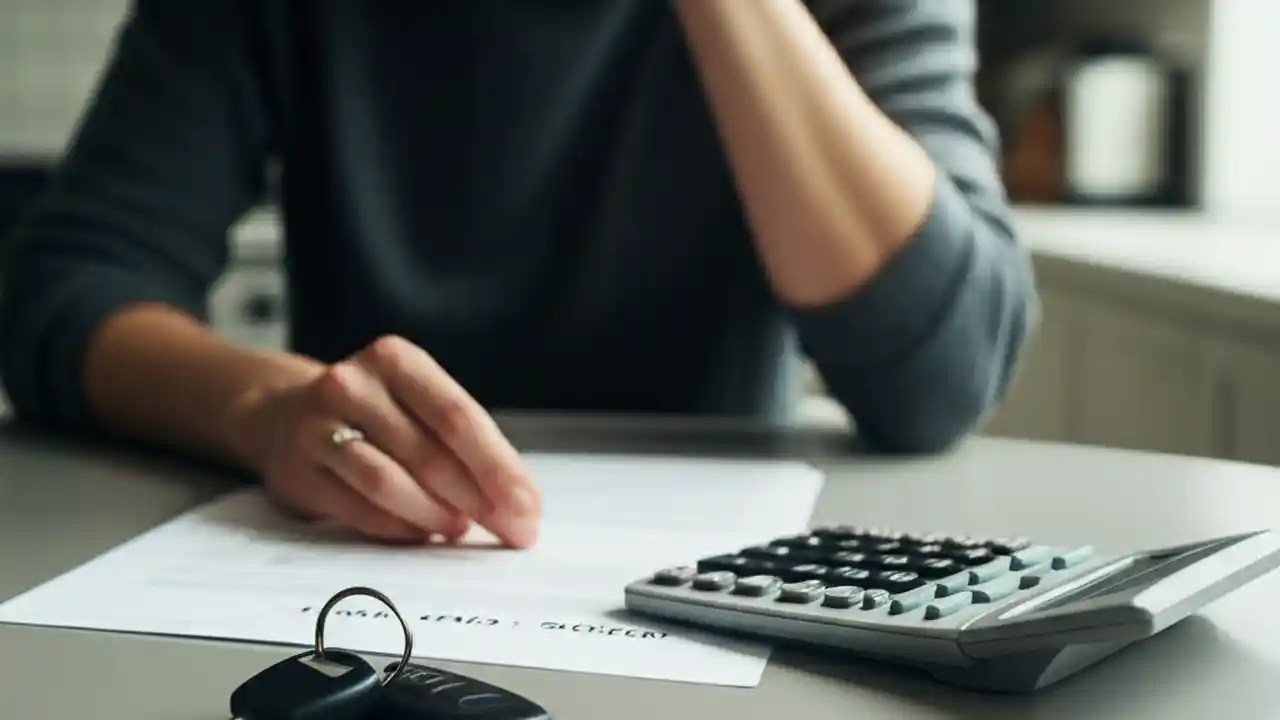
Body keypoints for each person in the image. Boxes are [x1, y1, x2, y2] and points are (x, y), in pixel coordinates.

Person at [0, 1, 1037, 549]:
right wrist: (271, 410)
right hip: (359, 573)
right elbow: (65, 288)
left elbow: (939, 373)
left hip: (721, 620)